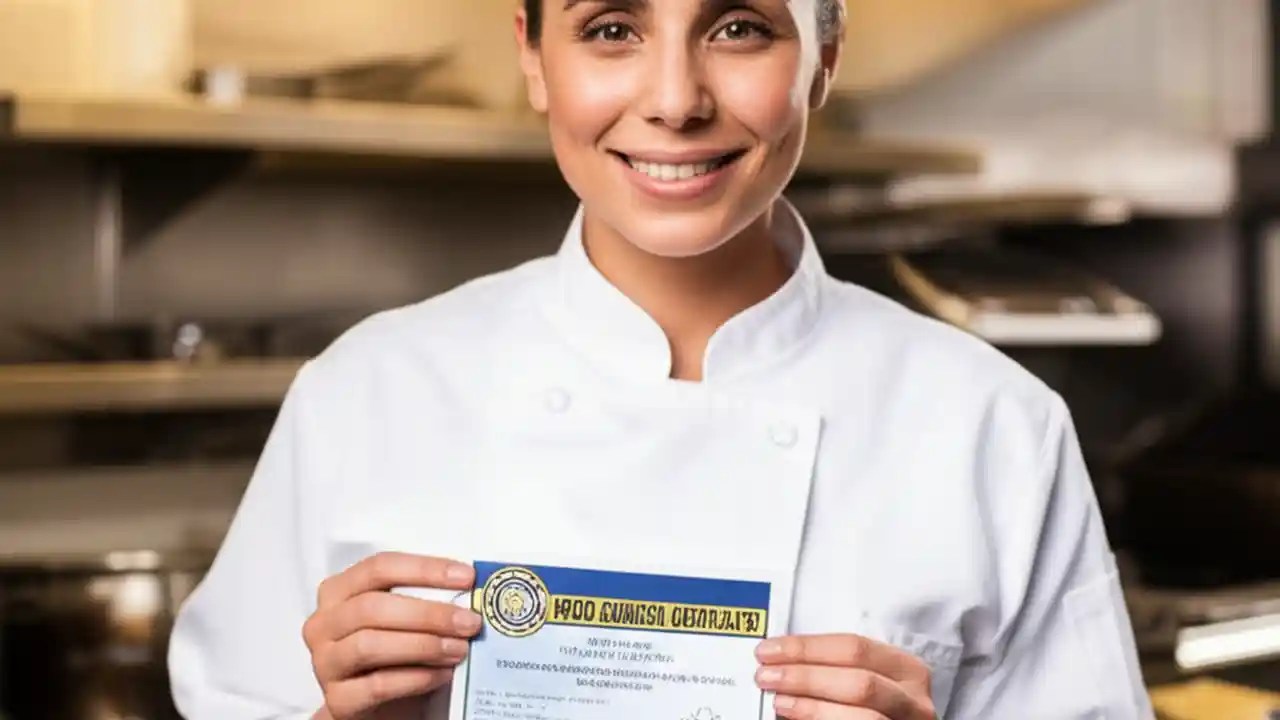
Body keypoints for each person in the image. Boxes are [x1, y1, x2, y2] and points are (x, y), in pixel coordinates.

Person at [167, 0, 1154, 718]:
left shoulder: (992, 425)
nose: (675, 100)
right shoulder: (367, 392)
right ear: (533, 57)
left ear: (824, 58)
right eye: (610, 29)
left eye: (739, 27)